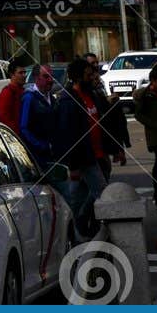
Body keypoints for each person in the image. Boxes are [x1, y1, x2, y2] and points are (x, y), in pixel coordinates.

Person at [56, 57, 107, 237]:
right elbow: (68, 134)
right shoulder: (68, 100)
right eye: (87, 74)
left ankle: (78, 225)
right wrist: (74, 165)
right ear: (78, 77)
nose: (90, 77)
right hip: (83, 157)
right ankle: (81, 229)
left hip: (95, 152)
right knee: (102, 191)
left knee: (82, 196)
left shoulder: (90, 94)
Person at [133, 64, 157, 210]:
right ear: (153, 81)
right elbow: (138, 114)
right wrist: (154, 124)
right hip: (156, 137)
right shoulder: (147, 95)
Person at [20, 64, 58, 175]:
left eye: (51, 76)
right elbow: (24, 128)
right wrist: (41, 146)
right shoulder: (29, 98)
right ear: (37, 78)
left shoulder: (52, 98)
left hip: (53, 156)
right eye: (46, 77)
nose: (50, 80)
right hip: (38, 158)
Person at [0, 60, 27, 135]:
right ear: (11, 74)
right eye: (20, 73)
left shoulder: (24, 91)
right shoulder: (7, 93)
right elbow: (4, 119)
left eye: (24, 72)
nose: (24, 75)